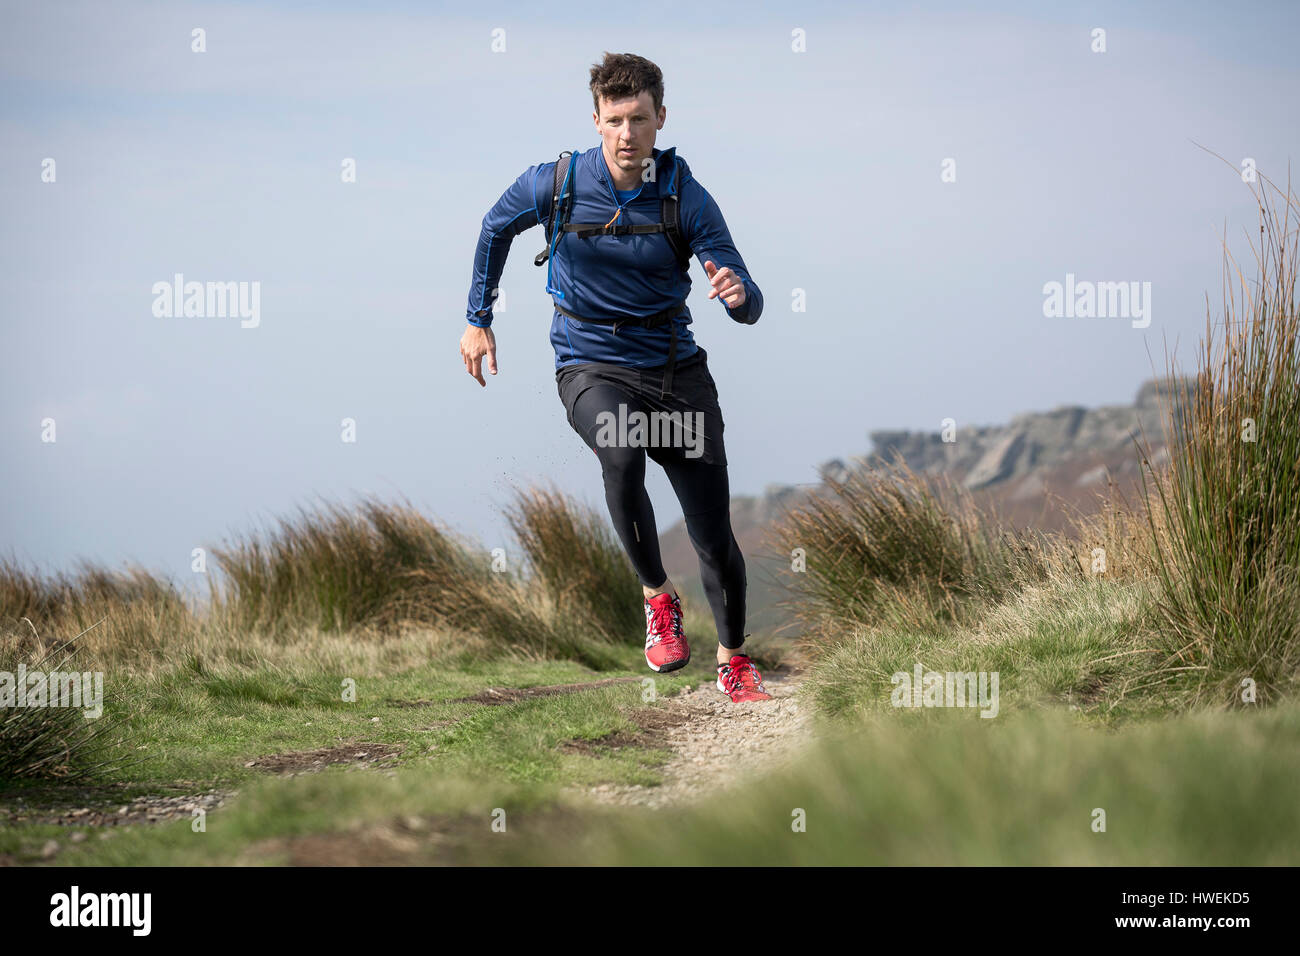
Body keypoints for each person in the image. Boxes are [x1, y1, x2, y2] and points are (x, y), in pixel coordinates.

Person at [459, 52, 770, 703]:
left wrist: (737, 293)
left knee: (713, 537)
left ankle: (733, 660)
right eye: (615, 120)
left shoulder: (686, 196)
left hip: (675, 374)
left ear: (661, 119)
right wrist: (477, 318)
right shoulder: (558, 182)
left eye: (639, 119)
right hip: (590, 363)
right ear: (596, 120)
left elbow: (748, 302)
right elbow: (493, 228)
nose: (628, 134)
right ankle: (659, 597)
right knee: (621, 452)